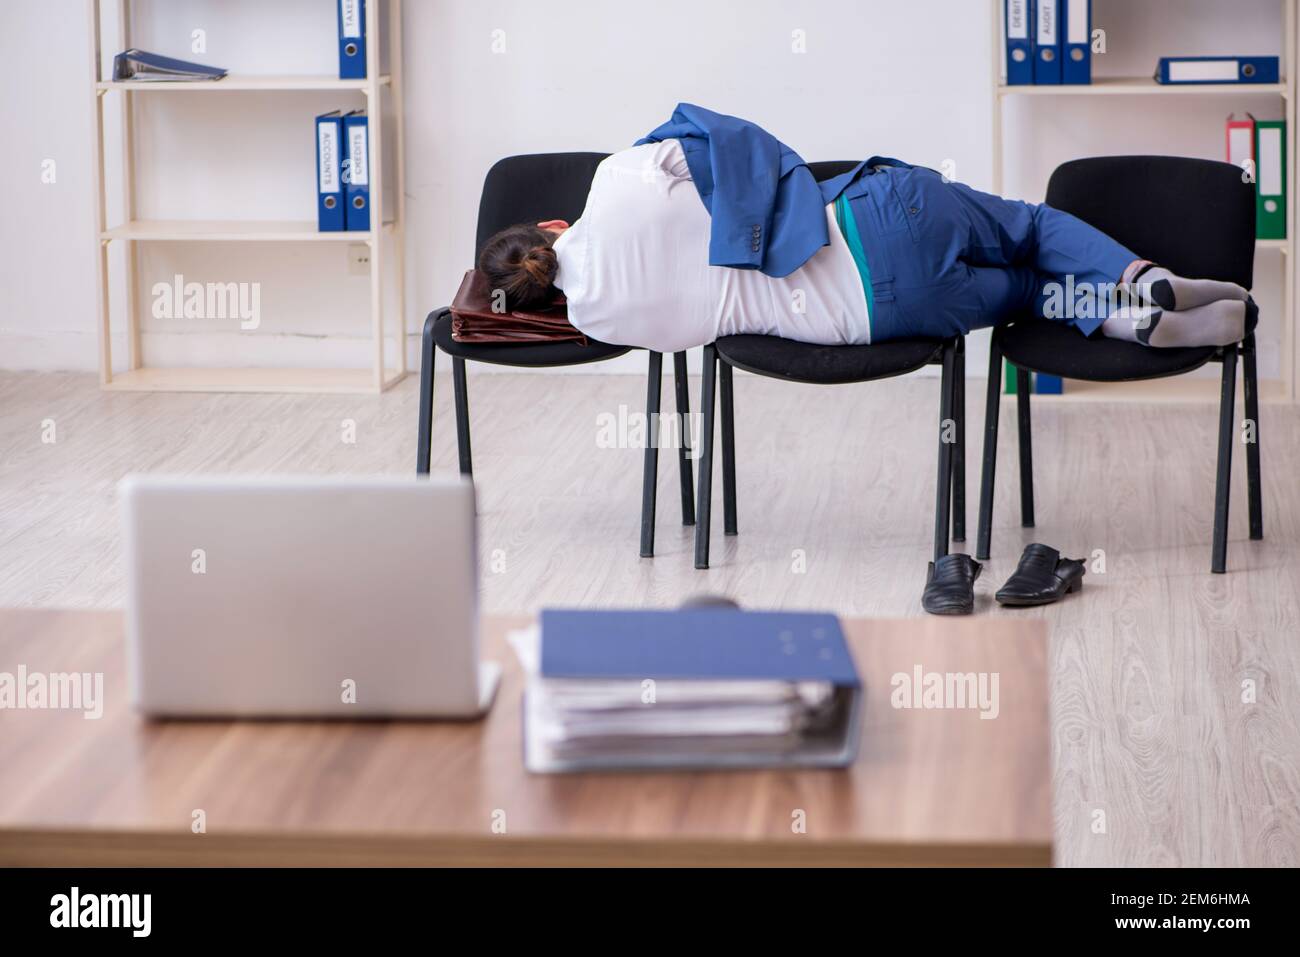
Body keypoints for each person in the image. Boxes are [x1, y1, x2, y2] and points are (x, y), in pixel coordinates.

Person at [478, 104, 1253, 352]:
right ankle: (1138, 277)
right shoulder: (616, 179)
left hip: (874, 316)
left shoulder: (599, 321)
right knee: (1032, 225)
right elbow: (726, 141)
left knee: (1020, 292)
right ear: (551, 224)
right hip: (869, 216)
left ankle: (1123, 321)